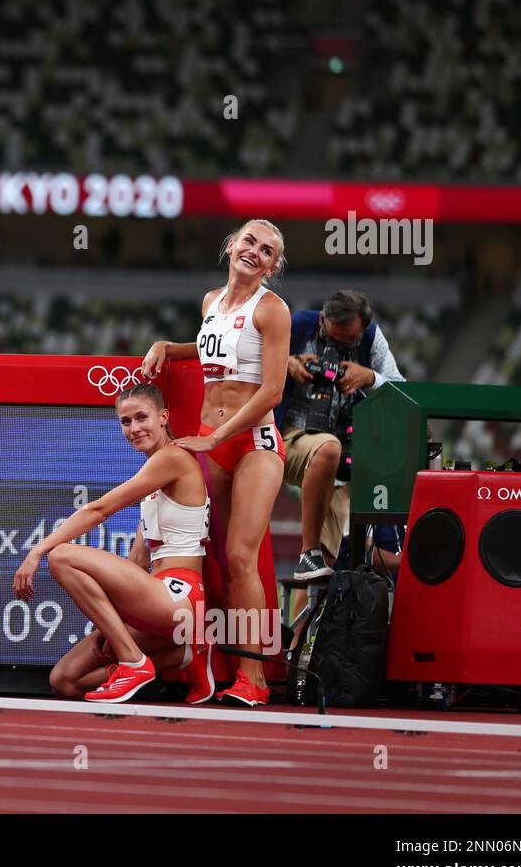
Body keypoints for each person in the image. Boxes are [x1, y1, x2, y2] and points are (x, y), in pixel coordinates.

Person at [141, 219, 291, 707]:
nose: (255, 252)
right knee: (222, 560)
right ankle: (220, 666)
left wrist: (220, 437)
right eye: (249, 241)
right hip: (213, 439)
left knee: (244, 557)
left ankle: (256, 676)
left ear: (272, 266)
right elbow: (212, 358)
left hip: (254, 444)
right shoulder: (210, 302)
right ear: (231, 245)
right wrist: (167, 346)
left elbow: (272, 390)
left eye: (266, 251)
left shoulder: (273, 310)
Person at [13, 383, 215, 705]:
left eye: (141, 417)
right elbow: (136, 563)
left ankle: (135, 663)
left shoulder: (172, 458)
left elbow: (99, 509)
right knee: (64, 680)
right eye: (125, 422)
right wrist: (115, 625)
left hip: (182, 597)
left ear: (163, 417)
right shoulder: (153, 483)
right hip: (157, 598)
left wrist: (38, 551)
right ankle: (184, 655)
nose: (134, 428)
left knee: (61, 556)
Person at [276, 290, 405, 587]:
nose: (338, 348)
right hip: (287, 435)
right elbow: (251, 364)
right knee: (327, 448)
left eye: (349, 343)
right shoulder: (297, 326)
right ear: (322, 319)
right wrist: (286, 363)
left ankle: (301, 634)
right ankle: (308, 553)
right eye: (332, 339)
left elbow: (403, 393)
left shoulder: (373, 338)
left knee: (325, 563)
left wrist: (370, 378)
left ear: (361, 332)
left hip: (337, 453)